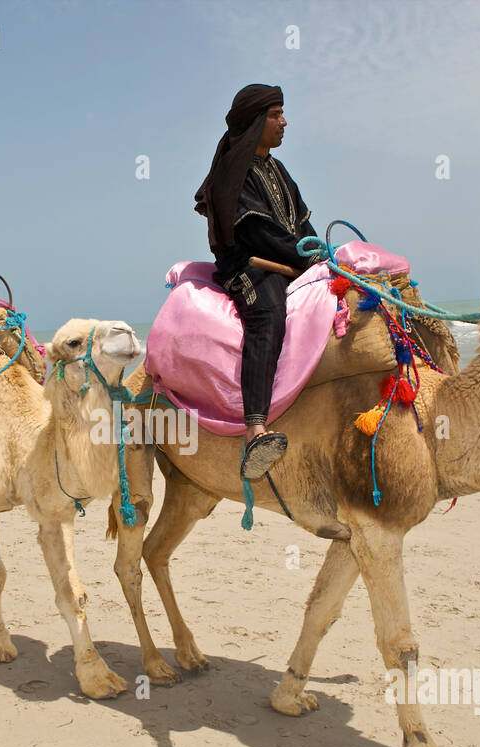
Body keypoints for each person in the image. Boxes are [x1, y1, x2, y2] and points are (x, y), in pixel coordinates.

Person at [195, 83, 319, 480]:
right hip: (249, 267)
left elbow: (301, 223)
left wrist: (321, 253)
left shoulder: (277, 169)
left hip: (287, 261)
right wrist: (305, 255)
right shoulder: (238, 171)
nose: (284, 123)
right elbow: (259, 235)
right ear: (254, 122)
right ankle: (255, 429)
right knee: (268, 313)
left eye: (282, 114)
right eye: (275, 115)